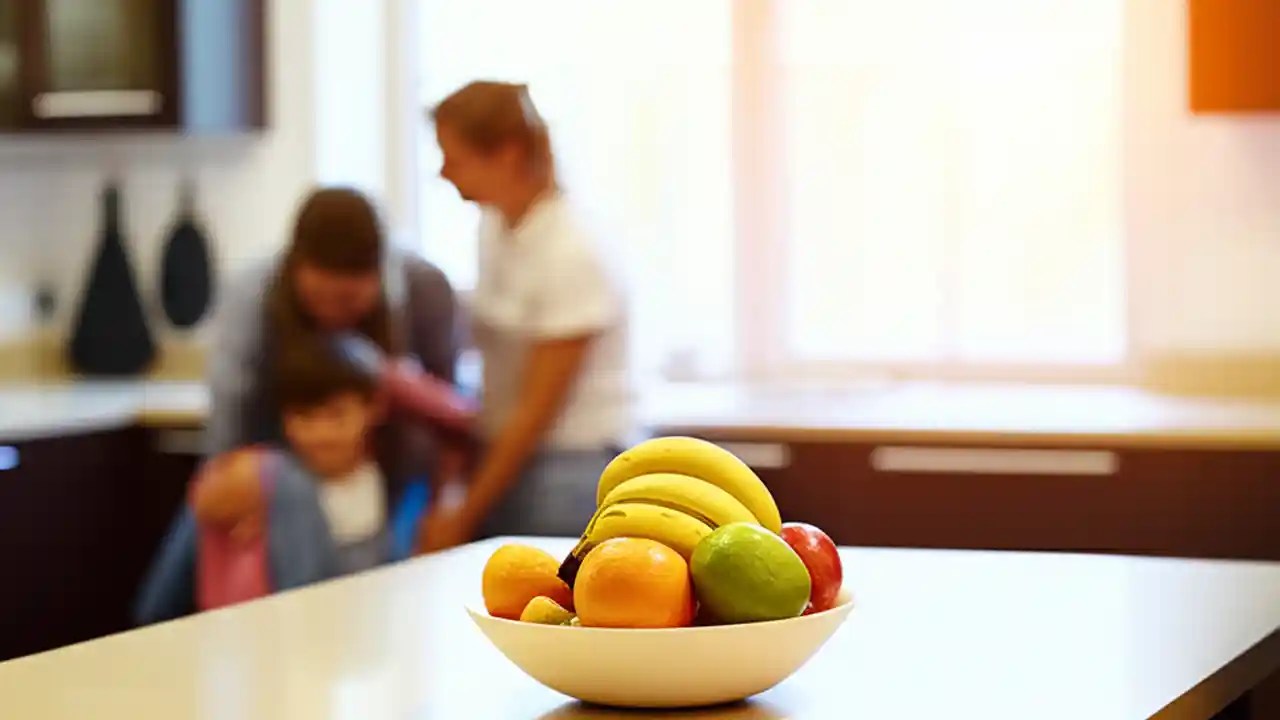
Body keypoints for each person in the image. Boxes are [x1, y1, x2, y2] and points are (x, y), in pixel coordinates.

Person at [418, 80, 635, 551]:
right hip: (512, 457)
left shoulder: (571, 252)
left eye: (453, 158)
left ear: (508, 153)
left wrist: (463, 513)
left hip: (571, 463)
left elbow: (535, 414)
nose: (443, 172)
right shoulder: (495, 229)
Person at [206, 187, 462, 507]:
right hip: (279, 485)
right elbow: (231, 416)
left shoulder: (426, 290)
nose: (331, 313)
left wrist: (444, 511)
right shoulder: (252, 297)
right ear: (294, 269)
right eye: (318, 298)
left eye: (347, 301)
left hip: (399, 484)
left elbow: (453, 421)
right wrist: (226, 482)